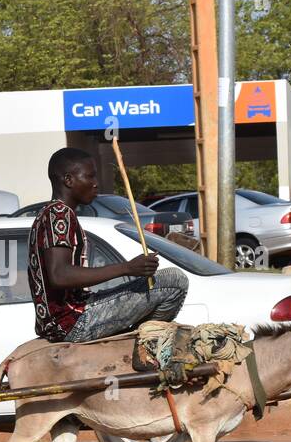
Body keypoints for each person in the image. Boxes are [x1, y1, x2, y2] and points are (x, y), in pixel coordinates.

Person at [29, 147, 188, 343]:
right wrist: (127, 268)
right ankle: (145, 344)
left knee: (156, 282)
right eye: (90, 177)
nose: (96, 184)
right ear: (68, 180)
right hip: (73, 322)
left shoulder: (47, 213)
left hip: (69, 316)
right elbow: (59, 275)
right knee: (175, 281)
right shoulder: (60, 214)